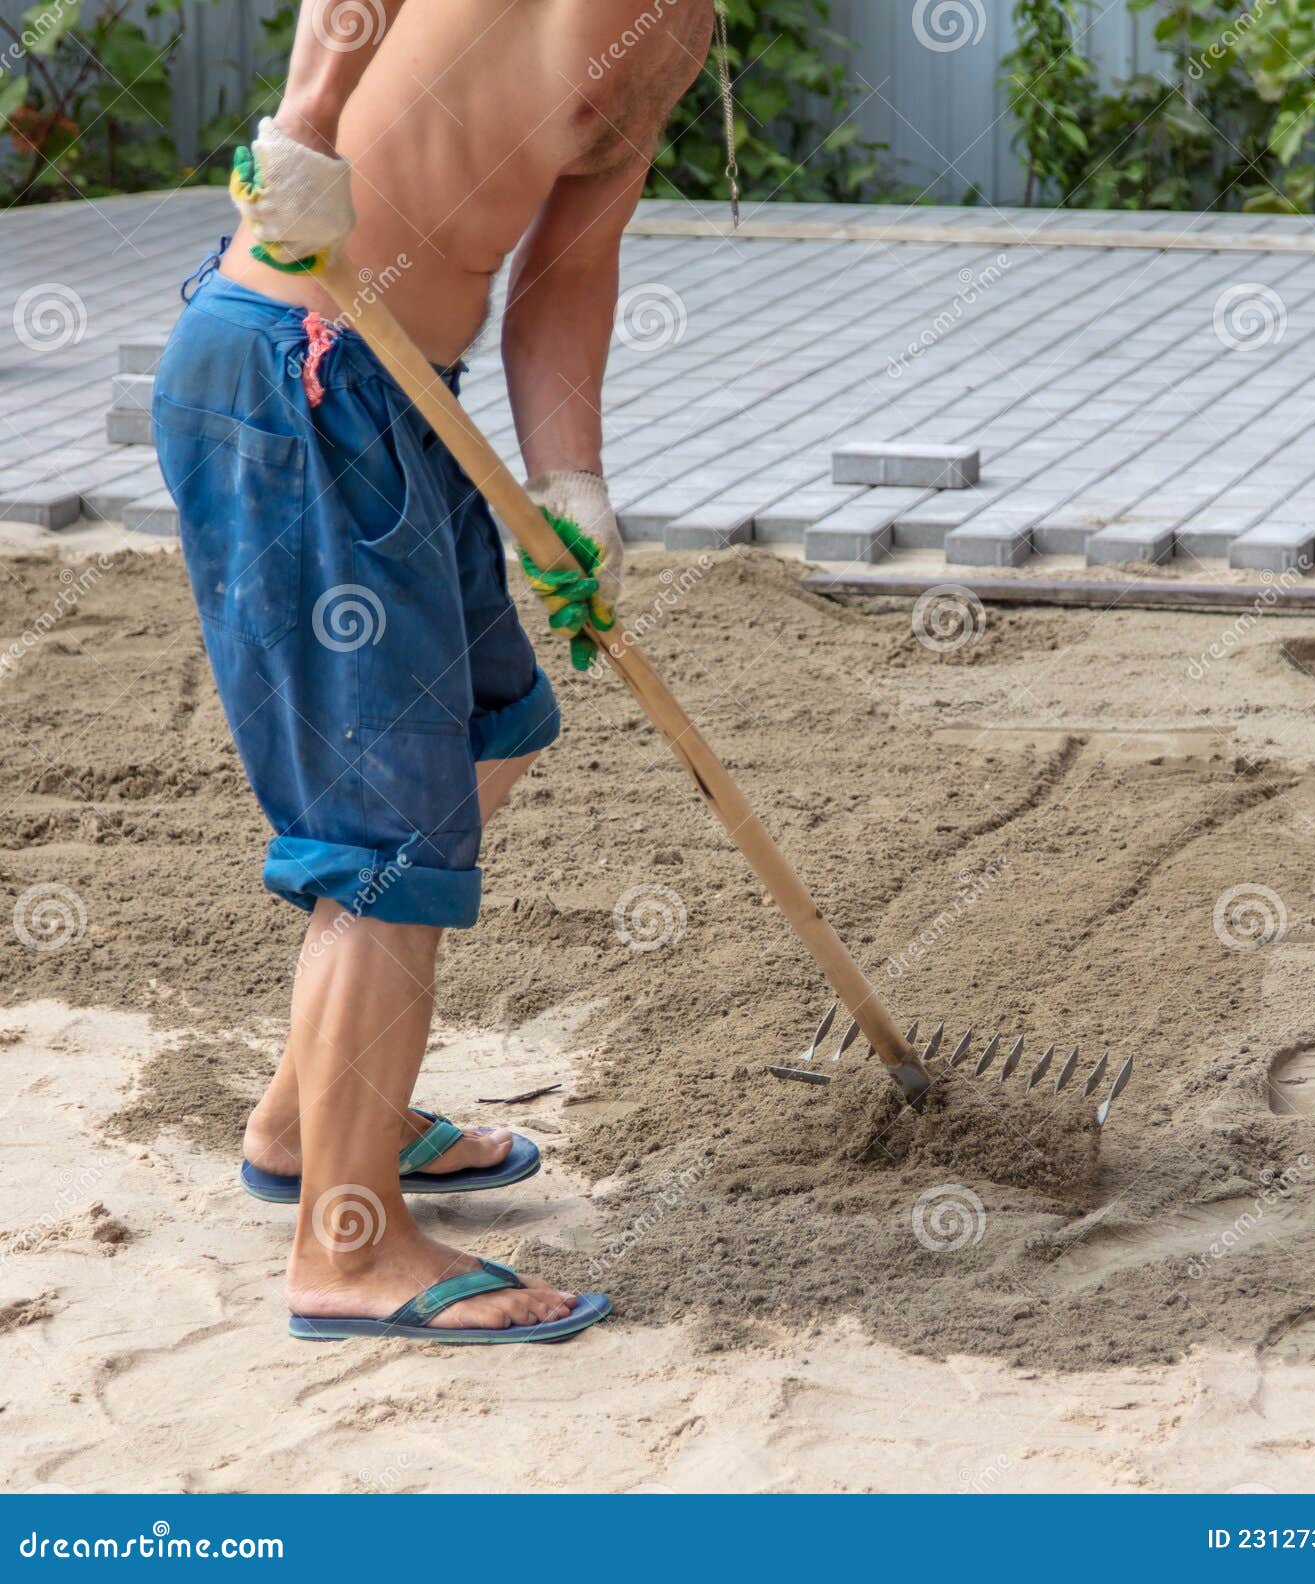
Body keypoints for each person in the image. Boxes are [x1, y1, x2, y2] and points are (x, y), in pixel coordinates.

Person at [151, 0, 719, 1343]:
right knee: (385, 840)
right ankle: (346, 1250)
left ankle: (308, 1119)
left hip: (411, 395)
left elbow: (570, 266)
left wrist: (572, 483)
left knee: (493, 723)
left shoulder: (677, 27)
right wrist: (301, 123)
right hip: (298, 371)